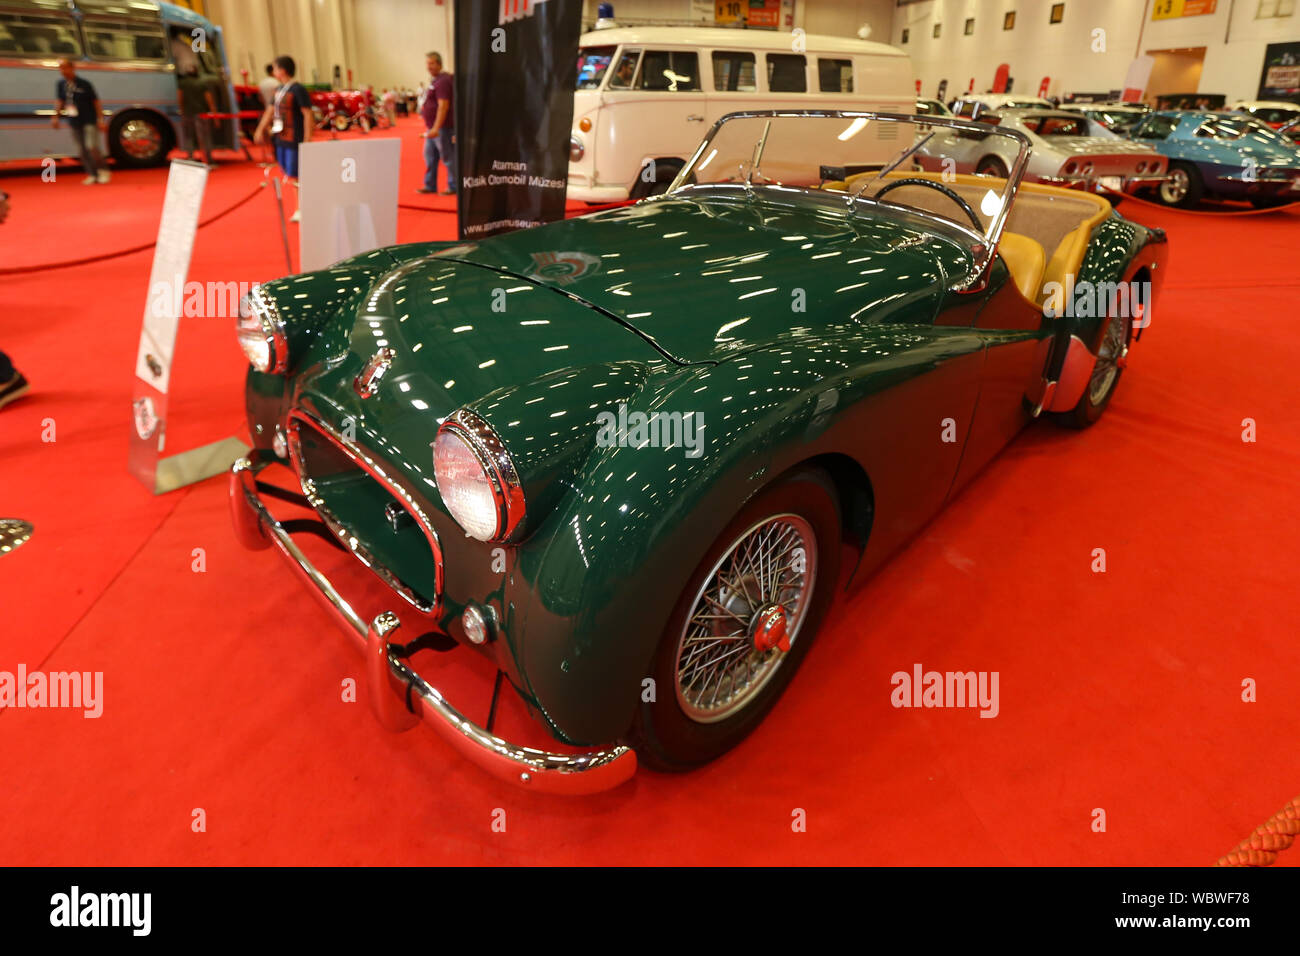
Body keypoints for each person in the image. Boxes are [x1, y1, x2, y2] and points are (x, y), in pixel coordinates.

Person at [253, 55, 314, 222]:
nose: (273, 71)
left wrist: (308, 138)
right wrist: (260, 129)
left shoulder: (297, 89)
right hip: (281, 138)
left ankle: (300, 207)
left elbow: (307, 113)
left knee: (296, 174)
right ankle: (301, 206)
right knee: (288, 172)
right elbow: (270, 110)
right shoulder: (279, 90)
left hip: (295, 137)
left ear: (282, 70)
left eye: (275, 68)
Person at [52, 59, 109, 184]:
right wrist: (56, 116)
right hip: (74, 121)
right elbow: (60, 101)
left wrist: (100, 119)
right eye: (61, 68)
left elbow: (96, 102)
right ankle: (92, 174)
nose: (63, 71)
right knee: (82, 150)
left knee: (92, 146)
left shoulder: (84, 84)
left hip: (89, 119)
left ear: (72, 68)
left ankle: (103, 170)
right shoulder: (61, 84)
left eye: (65, 68)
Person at [418, 51, 455, 195]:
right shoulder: (435, 81)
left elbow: (443, 106)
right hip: (433, 128)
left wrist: (436, 128)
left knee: (448, 157)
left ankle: (453, 186)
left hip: (442, 128)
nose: (429, 66)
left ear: (439, 64)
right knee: (430, 157)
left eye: (432, 63)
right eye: (427, 63)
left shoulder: (443, 81)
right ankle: (430, 185)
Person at [177, 70, 217, 166]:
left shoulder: (182, 84)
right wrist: (214, 114)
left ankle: (191, 156)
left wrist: (182, 110)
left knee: (189, 136)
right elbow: (209, 99)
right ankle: (208, 158)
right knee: (205, 136)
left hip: (188, 113)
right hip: (202, 114)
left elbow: (180, 97)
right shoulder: (202, 83)